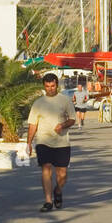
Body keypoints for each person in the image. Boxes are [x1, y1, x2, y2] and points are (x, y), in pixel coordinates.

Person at [27, 72, 75, 212]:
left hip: (62, 142)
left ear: (57, 85)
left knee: (62, 174)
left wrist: (63, 125)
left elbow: (72, 119)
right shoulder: (38, 103)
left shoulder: (65, 100)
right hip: (43, 141)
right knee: (46, 169)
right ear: (44, 86)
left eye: (53, 86)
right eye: (47, 86)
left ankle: (58, 190)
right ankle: (48, 201)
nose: (50, 89)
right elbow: (32, 124)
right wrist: (28, 143)